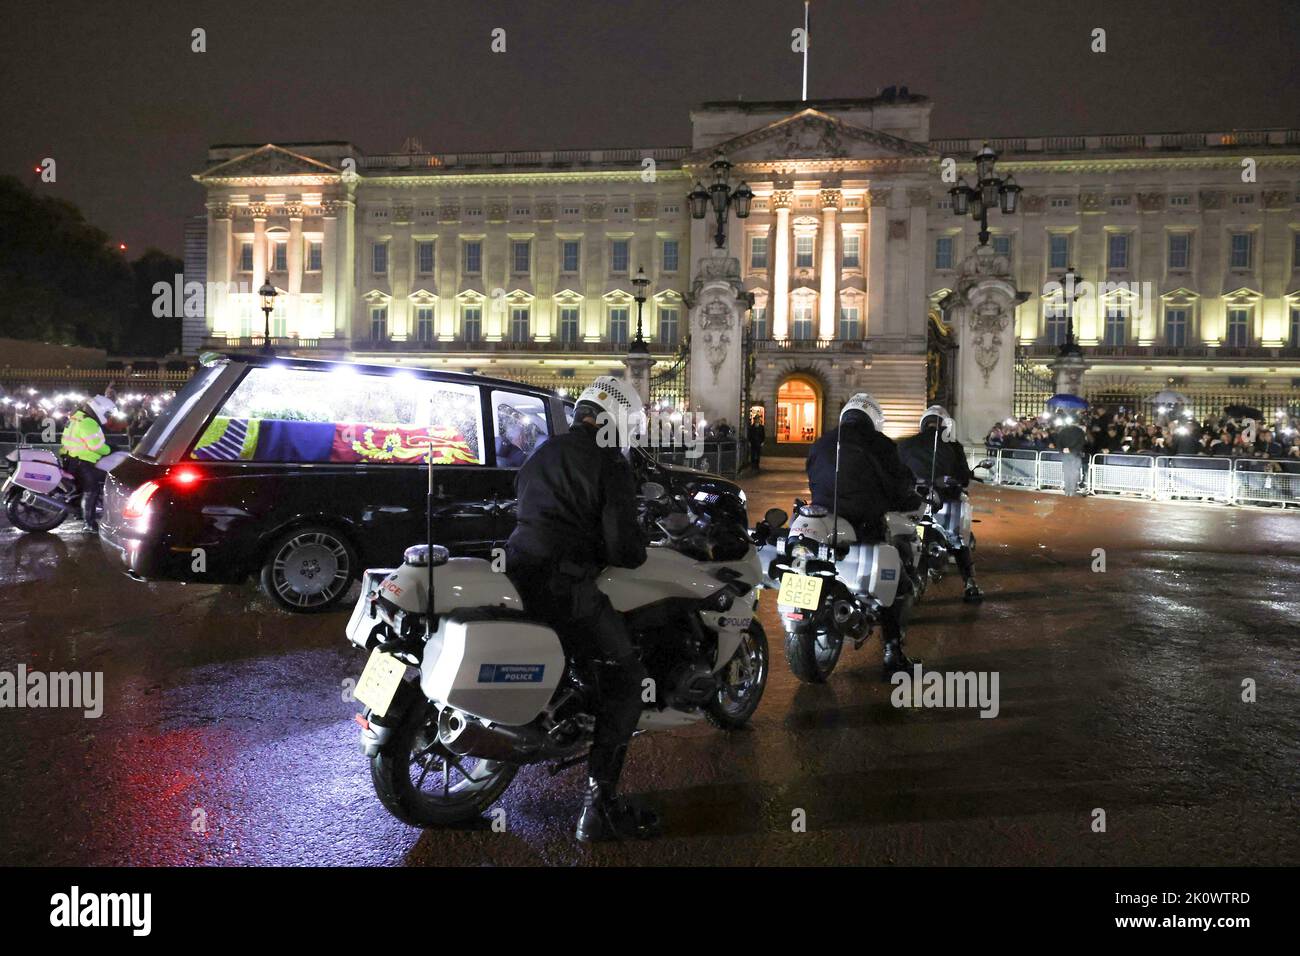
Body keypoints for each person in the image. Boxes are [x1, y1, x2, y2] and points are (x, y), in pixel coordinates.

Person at [504, 375, 659, 843]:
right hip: (565, 586)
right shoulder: (608, 462)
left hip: (517, 574)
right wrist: (638, 544)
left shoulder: (543, 451)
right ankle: (600, 807)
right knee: (627, 678)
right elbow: (624, 548)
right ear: (614, 420)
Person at [806, 393, 924, 680]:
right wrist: (910, 499)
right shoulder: (879, 443)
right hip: (865, 524)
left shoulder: (823, 441)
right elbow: (898, 483)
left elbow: (812, 476)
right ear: (873, 419)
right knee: (899, 586)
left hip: (826, 521)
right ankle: (892, 651)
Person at [897, 405, 983, 603]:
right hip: (946, 500)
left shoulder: (906, 445)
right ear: (945, 425)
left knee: (899, 537)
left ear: (923, 424)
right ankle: (970, 583)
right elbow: (963, 477)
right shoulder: (953, 446)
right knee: (958, 541)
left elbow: (897, 473)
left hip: (913, 502)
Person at [60, 395, 115, 532]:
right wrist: (110, 449)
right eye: (107, 413)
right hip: (81, 462)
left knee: (84, 488)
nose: (107, 416)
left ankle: (80, 512)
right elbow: (95, 446)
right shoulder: (88, 422)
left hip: (71, 459)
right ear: (99, 409)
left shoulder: (76, 418)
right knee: (92, 490)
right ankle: (89, 524)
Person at [1054, 410, 1087, 497]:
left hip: (1065, 454)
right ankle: (1072, 490)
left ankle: (1067, 491)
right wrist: (1072, 449)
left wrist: (1063, 449)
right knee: (1074, 472)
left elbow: (1058, 442)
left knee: (1067, 472)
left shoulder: (1063, 430)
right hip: (1075, 454)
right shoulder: (1080, 431)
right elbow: (1081, 443)